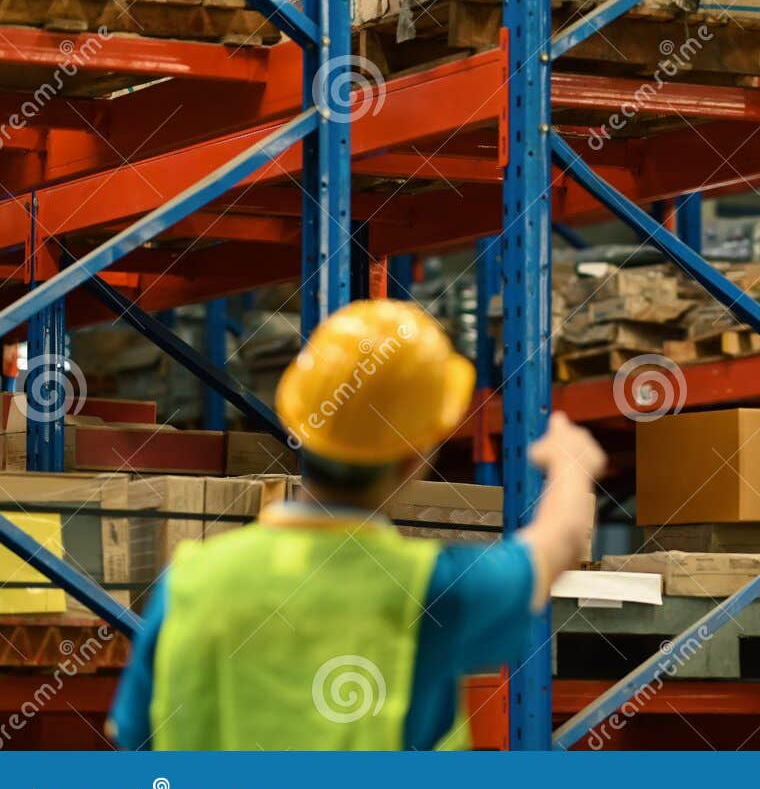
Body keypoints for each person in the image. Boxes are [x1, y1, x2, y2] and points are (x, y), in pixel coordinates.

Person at [109, 299, 605, 750]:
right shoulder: (431, 591)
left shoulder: (191, 580)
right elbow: (556, 543)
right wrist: (570, 462)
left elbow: (133, 735)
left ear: (299, 422)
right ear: (415, 457)